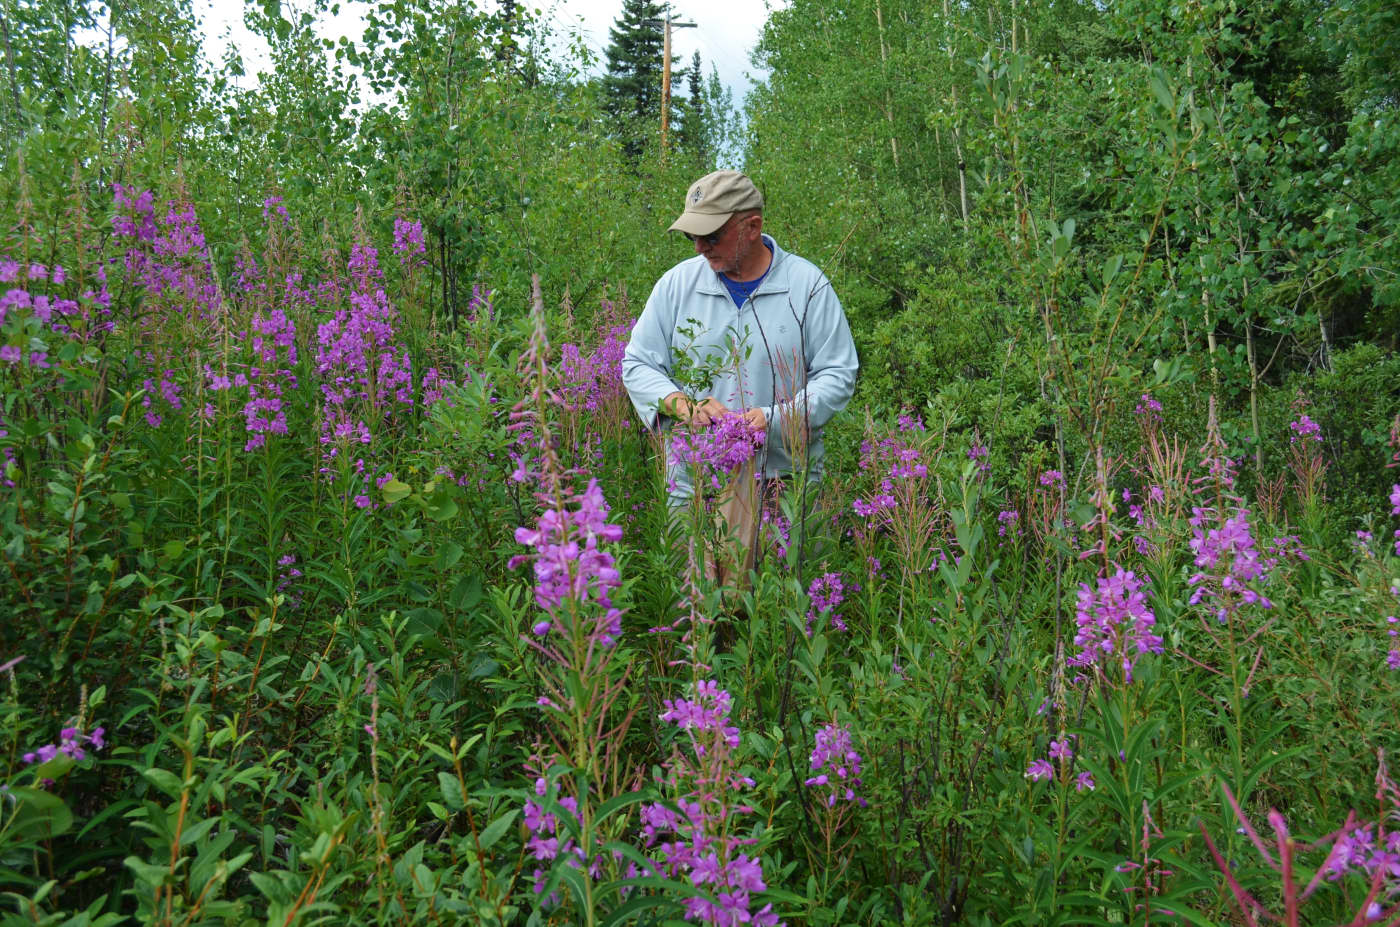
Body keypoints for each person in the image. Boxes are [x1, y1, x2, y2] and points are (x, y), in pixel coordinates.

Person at [621, 169, 858, 580]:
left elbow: (838, 374)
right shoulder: (677, 285)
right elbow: (638, 364)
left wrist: (776, 419)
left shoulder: (806, 286)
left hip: (783, 482)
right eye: (692, 236)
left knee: (782, 613)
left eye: (711, 235)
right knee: (697, 614)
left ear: (752, 227)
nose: (699, 247)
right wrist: (683, 404)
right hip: (696, 483)